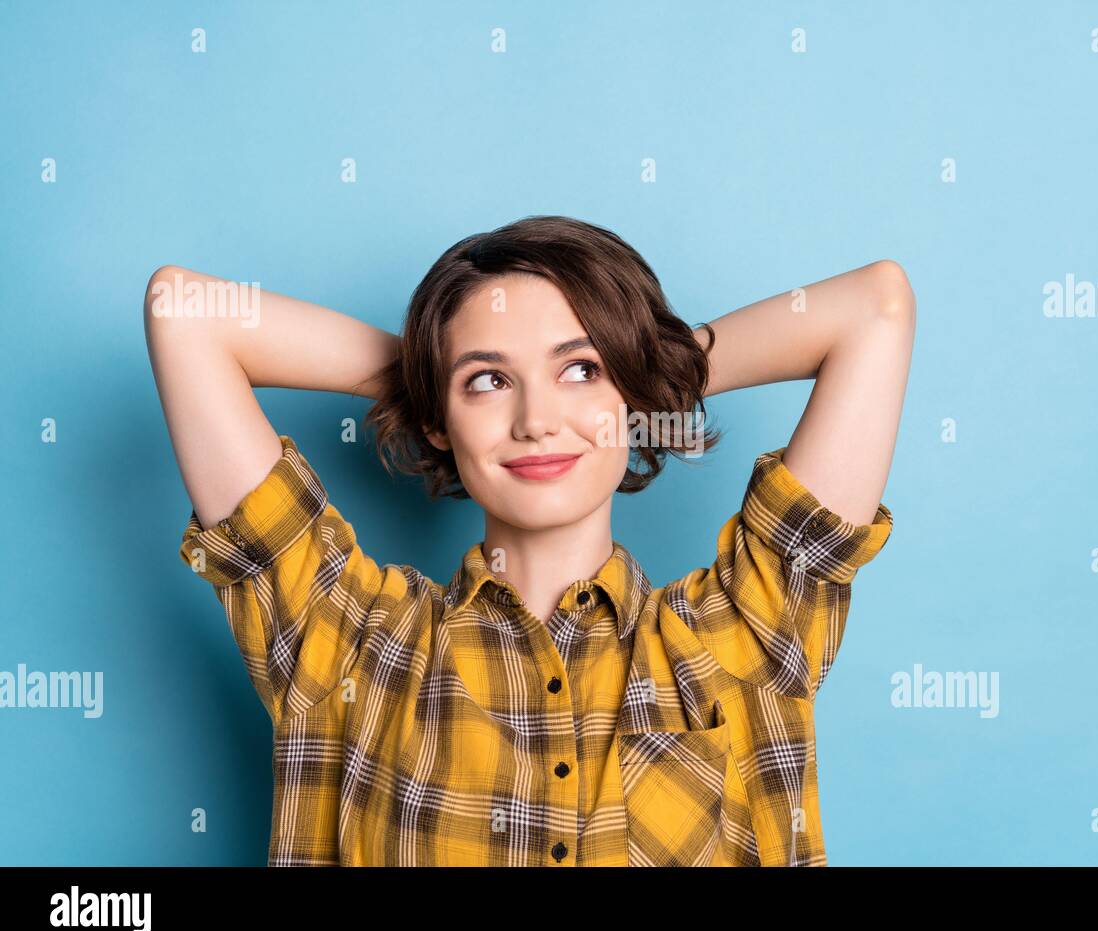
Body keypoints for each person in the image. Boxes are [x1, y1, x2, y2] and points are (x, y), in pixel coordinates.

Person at [143, 214, 915, 866]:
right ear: (440, 421)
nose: (537, 420)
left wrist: (652, 369)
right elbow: (183, 312)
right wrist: (427, 376)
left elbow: (874, 307)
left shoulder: (747, 629)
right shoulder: (344, 638)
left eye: (580, 370)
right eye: (489, 381)